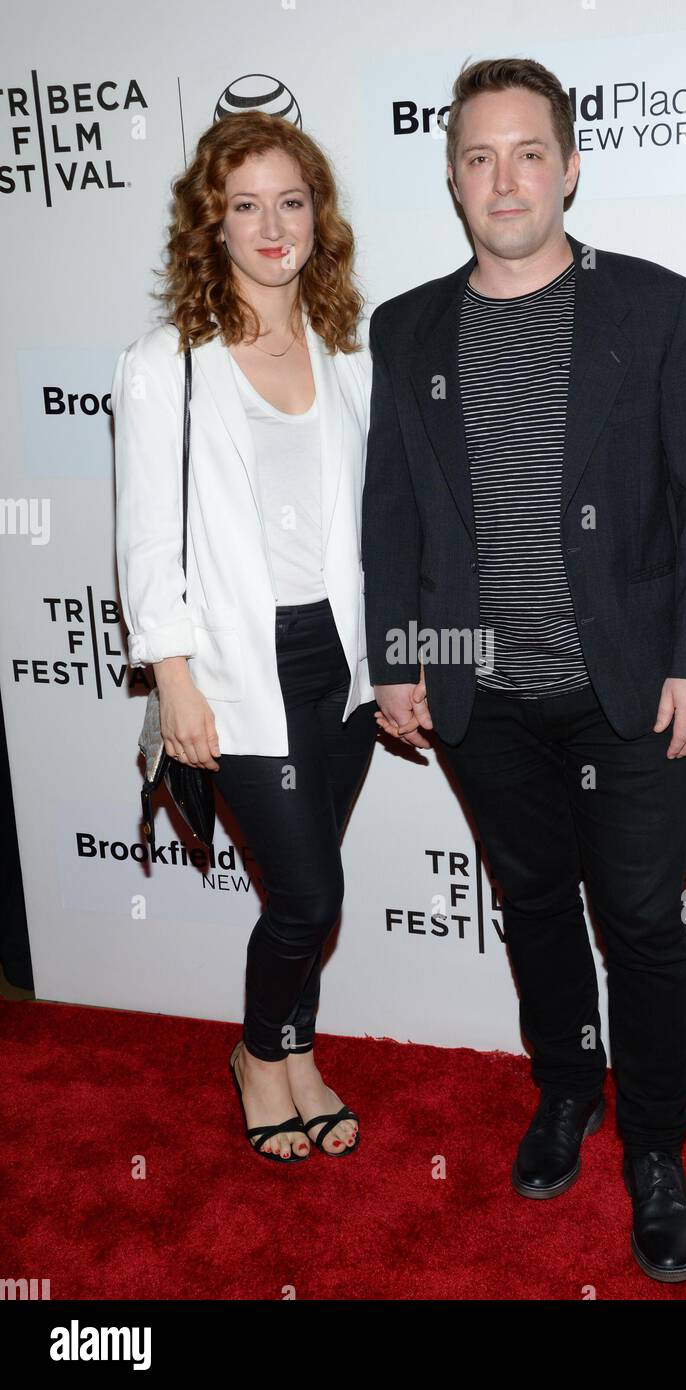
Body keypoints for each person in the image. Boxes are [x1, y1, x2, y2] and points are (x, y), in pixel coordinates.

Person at [362, 58, 686, 1279]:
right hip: (483, 691)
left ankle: (656, 1148)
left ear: (570, 166)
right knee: (534, 909)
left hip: (628, 687)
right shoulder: (406, 325)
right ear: (452, 181)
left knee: (638, 923)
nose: (503, 177)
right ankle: (567, 1089)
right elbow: (394, 518)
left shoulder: (654, 305)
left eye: (527, 152)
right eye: (477, 157)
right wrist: (404, 659)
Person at [112, 111, 378, 1164]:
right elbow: (144, 537)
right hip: (233, 668)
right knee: (310, 894)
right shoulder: (164, 363)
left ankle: (298, 1052)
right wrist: (173, 678)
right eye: (246, 205)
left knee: (307, 893)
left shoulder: (348, 349)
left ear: (319, 216)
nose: (273, 225)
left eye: (292, 200)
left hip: (340, 663)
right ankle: (257, 1059)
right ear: (211, 225)